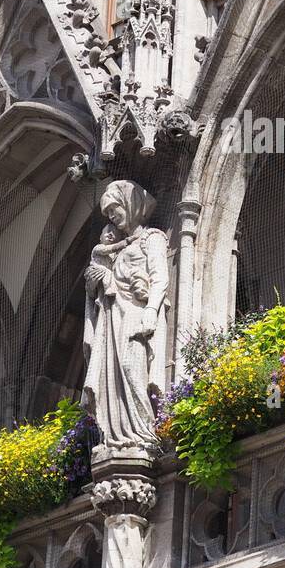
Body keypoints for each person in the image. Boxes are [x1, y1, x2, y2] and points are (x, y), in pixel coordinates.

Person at [83, 181, 169, 452]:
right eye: (108, 213)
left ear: (130, 205)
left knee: (133, 370)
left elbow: (160, 279)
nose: (112, 217)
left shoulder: (151, 238)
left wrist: (151, 313)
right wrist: (96, 279)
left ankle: (142, 434)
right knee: (110, 377)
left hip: (134, 314)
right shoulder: (115, 246)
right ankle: (114, 438)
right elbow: (96, 283)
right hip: (111, 317)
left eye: (115, 209)